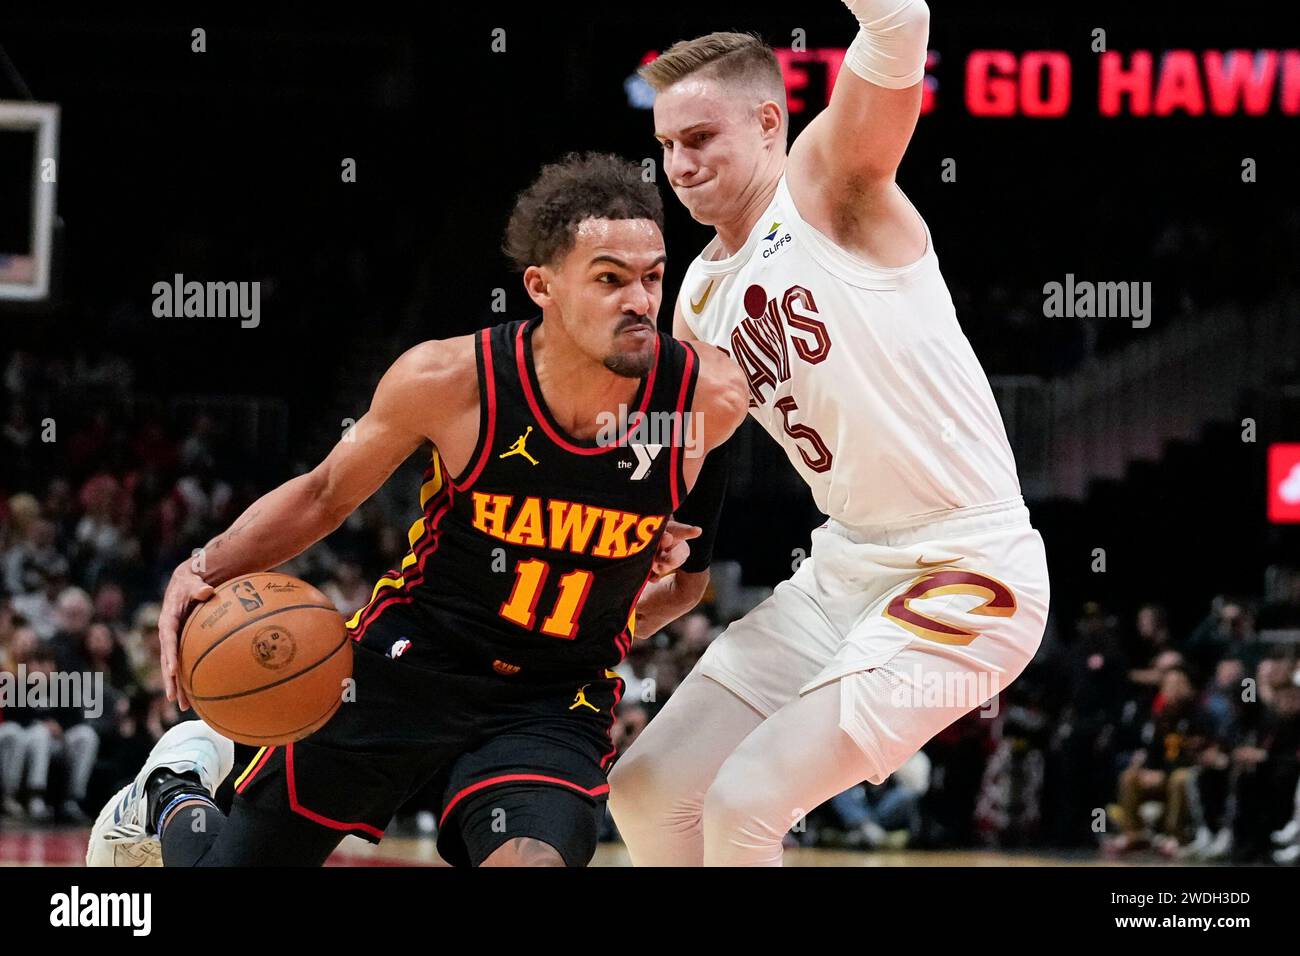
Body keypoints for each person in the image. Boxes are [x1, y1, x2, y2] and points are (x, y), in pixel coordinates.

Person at [86, 151, 747, 868]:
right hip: (407, 661)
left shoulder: (706, 398)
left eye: (652, 277)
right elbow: (325, 494)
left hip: (549, 699)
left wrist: (610, 605)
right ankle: (177, 789)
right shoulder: (450, 381)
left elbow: (685, 580)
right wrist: (201, 565)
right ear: (542, 287)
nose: (641, 302)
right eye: (610, 279)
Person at [608, 0, 1050, 866]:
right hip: (845, 569)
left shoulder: (823, 183)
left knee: (744, 802)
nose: (680, 165)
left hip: (970, 569)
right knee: (648, 788)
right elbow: (694, 448)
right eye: (666, 146)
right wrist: (667, 555)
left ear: (771, 122)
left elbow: (900, 24)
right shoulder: (696, 294)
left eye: (700, 138)